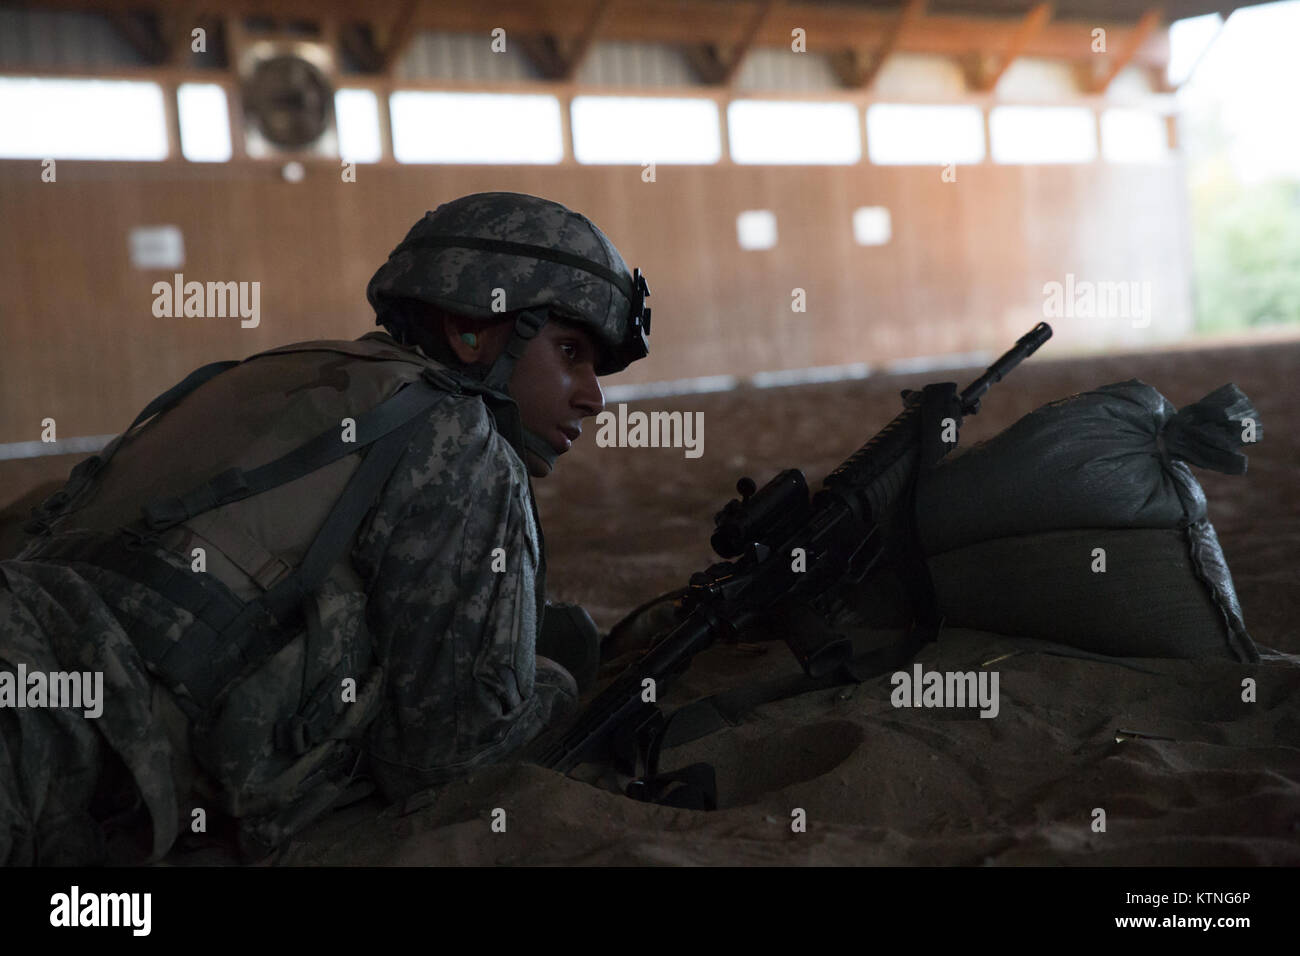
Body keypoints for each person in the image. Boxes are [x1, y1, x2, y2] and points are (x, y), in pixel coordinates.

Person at [0, 191, 652, 864]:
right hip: (54, 743)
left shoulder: (254, 378)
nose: (592, 396)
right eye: (570, 351)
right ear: (471, 328)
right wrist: (554, 682)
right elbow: (447, 752)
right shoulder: (457, 433)